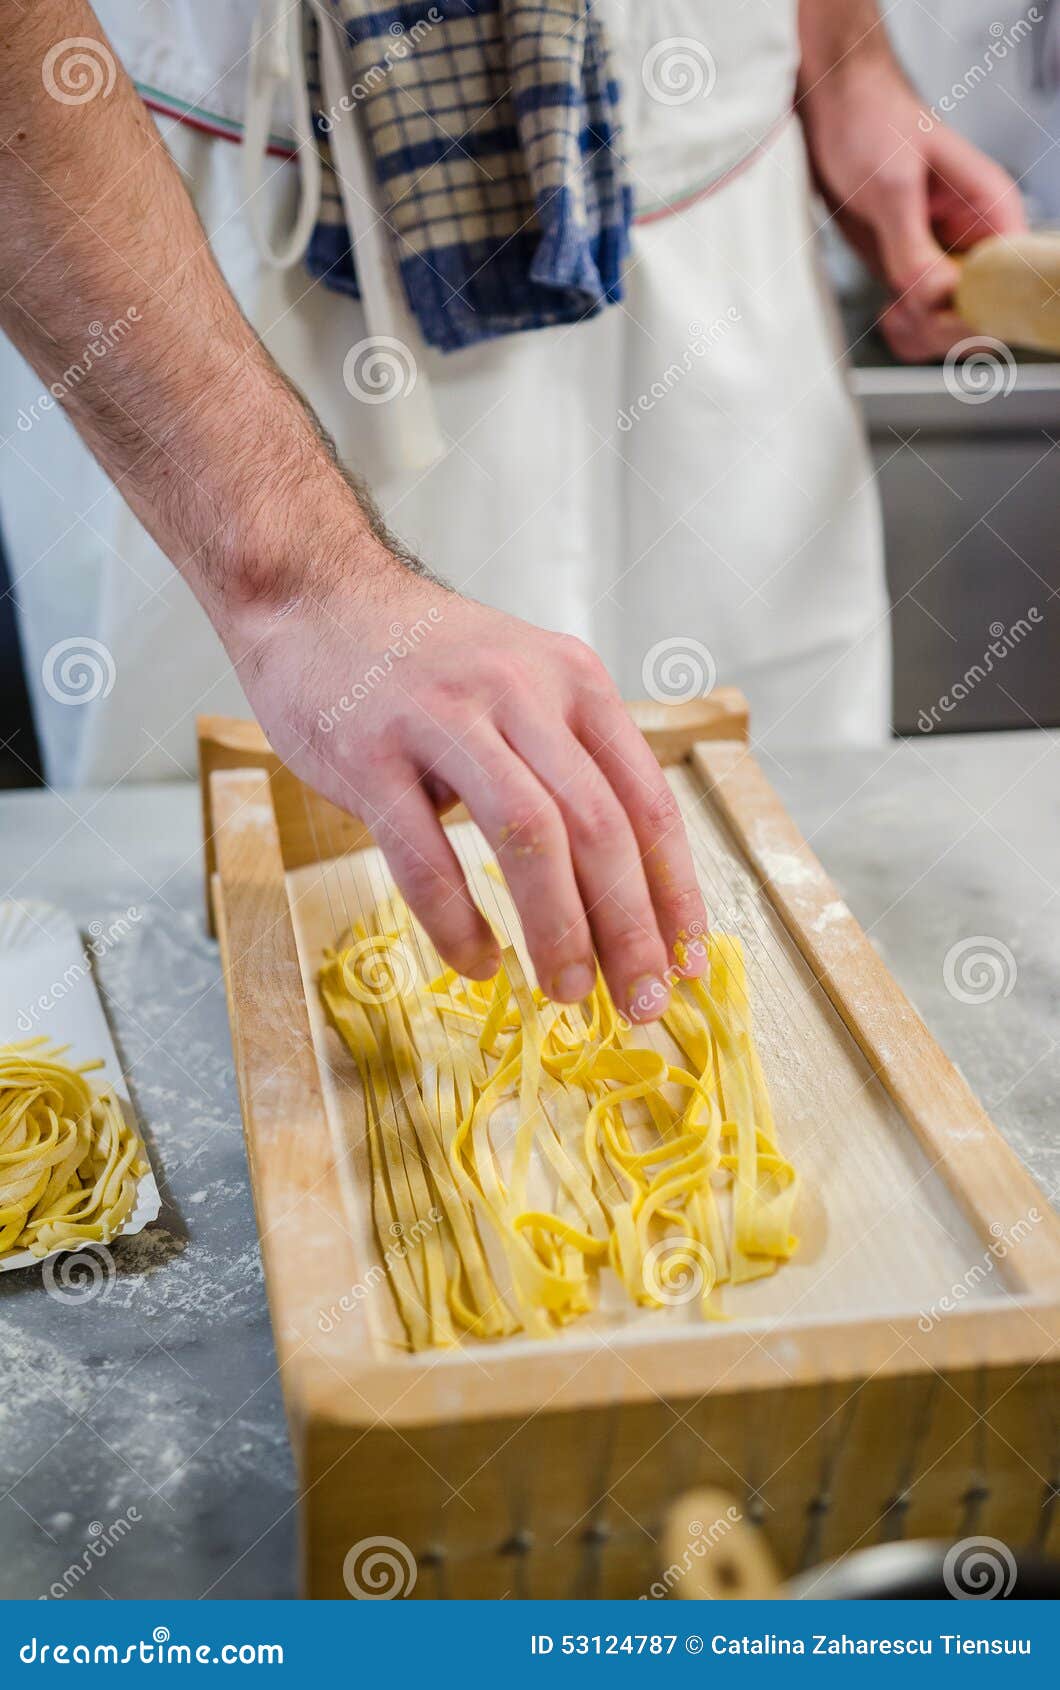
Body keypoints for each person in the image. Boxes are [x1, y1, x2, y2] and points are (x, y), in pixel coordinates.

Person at [0, 1, 1025, 1018]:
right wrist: (291, 576)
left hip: (716, 198)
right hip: (210, 256)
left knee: (773, 918)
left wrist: (844, 61)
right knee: (230, 991)